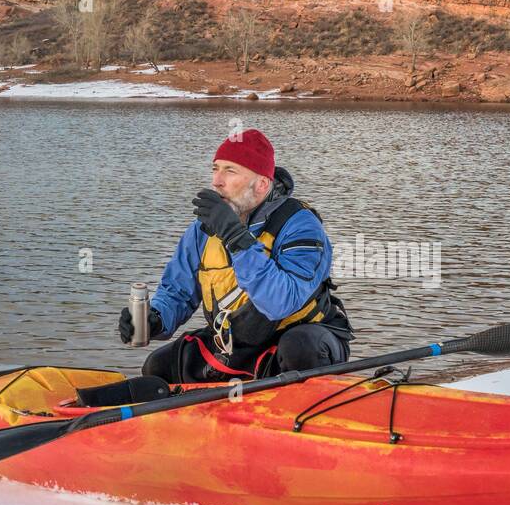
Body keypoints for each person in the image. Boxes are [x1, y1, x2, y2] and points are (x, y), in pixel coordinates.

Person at [119, 128, 352, 383]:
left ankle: (300, 412)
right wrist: (155, 319)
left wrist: (236, 238)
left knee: (301, 348)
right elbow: (177, 293)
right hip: (239, 343)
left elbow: (281, 302)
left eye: (230, 171)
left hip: (302, 339)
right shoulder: (201, 231)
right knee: (158, 368)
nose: (217, 181)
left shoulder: (301, 225)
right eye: (215, 169)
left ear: (262, 184)